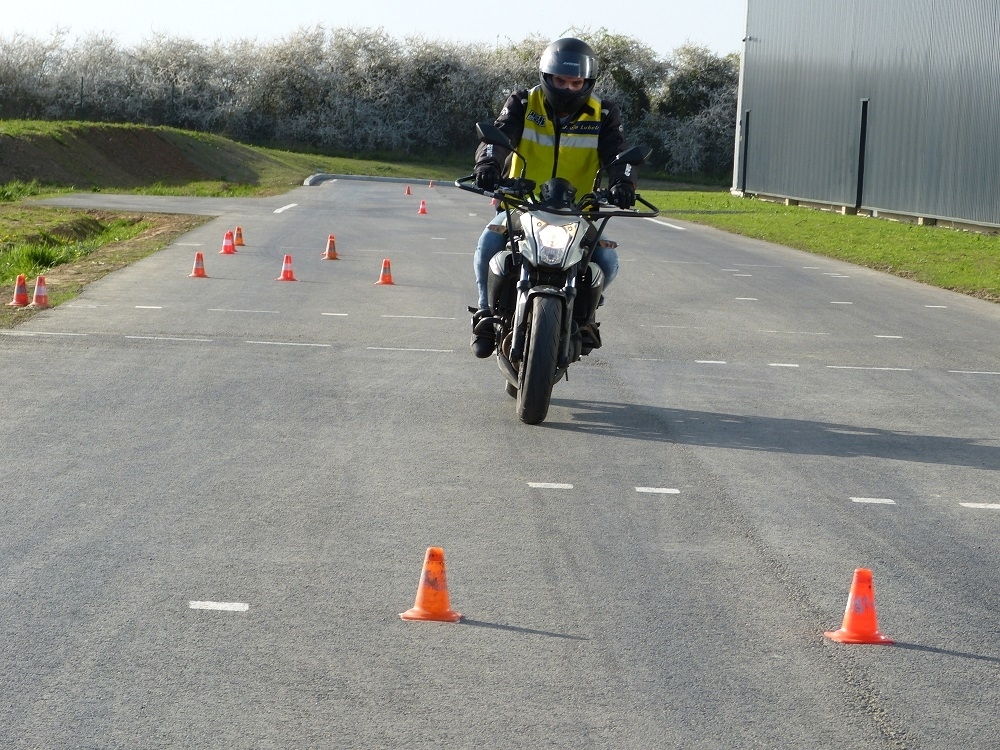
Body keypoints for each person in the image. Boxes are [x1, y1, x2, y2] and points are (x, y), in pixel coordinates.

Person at [470, 37, 637, 358]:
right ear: (547, 77)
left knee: (607, 261)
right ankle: (485, 313)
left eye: (576, 83)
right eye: (561, 81)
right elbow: (499, 136)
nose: (568, 89)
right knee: (489, 243)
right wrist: (488, 165)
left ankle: (585, 317)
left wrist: (623, 183)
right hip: (523, 204)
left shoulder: (603, 113)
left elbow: (618, 154)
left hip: (579, 212)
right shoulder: (523, 102)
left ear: (588, 82)